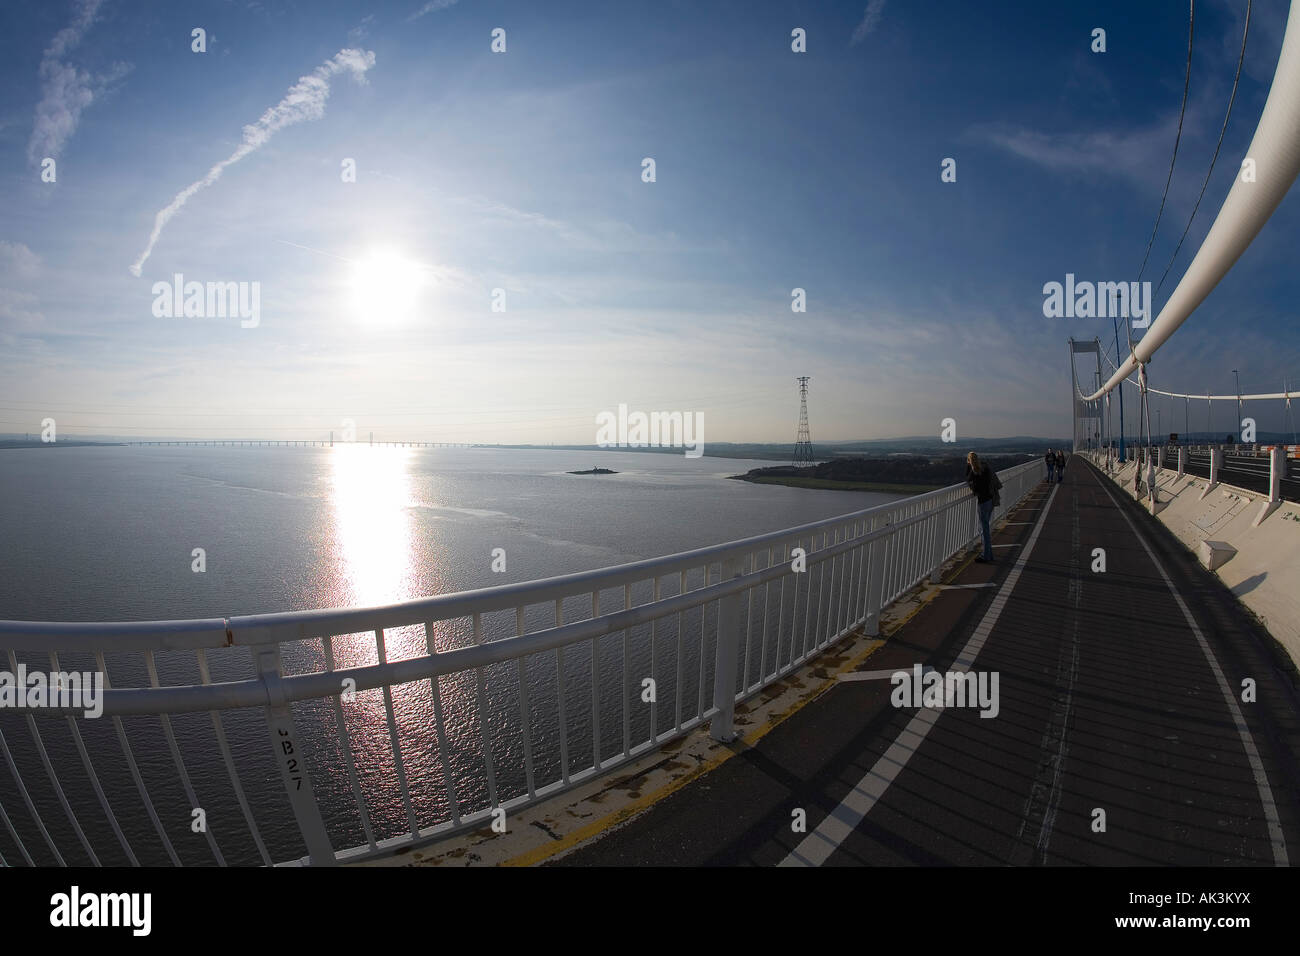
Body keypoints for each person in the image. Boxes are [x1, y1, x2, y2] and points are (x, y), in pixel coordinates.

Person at [965, 452, 1001, 563]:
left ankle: (986, 556)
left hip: (983, 502)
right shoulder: (985, 468)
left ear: (969, 460)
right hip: (990, 500)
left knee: (983, 529)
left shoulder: (974, 472)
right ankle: (988, 555)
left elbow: (969, 481)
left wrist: (968, 467)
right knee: (985, 528)